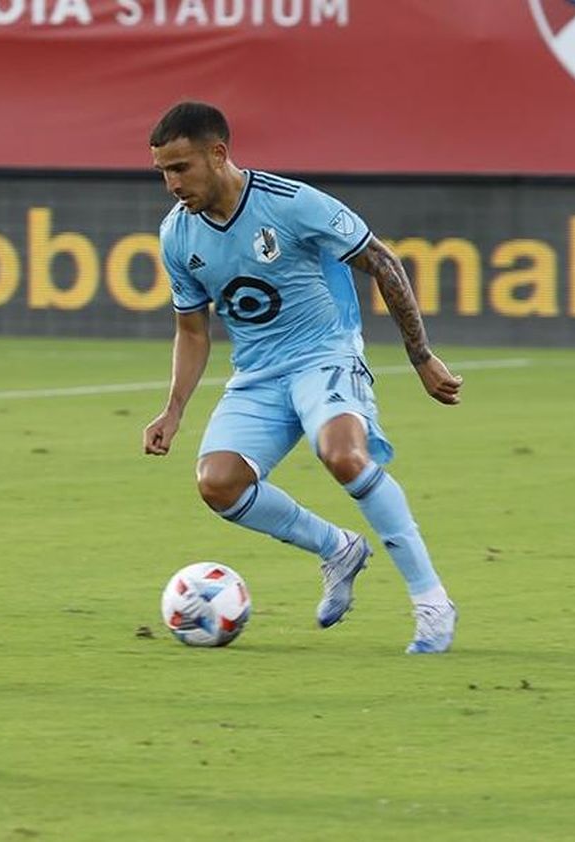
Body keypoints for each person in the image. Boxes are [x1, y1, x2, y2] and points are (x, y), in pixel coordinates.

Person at [143, 102, 461, 654]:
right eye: (163, 172)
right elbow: (193, 331)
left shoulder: (290, 203)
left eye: (181, 168)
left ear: (218, 154)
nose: (172, 183)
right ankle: (336, 548)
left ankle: (431, 601)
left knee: (343, 455)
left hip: (325, 356)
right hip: (258, 375)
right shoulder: (176, 235)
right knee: (217, 483)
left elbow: (383, 263)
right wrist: (173, 410)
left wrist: (421, 357)